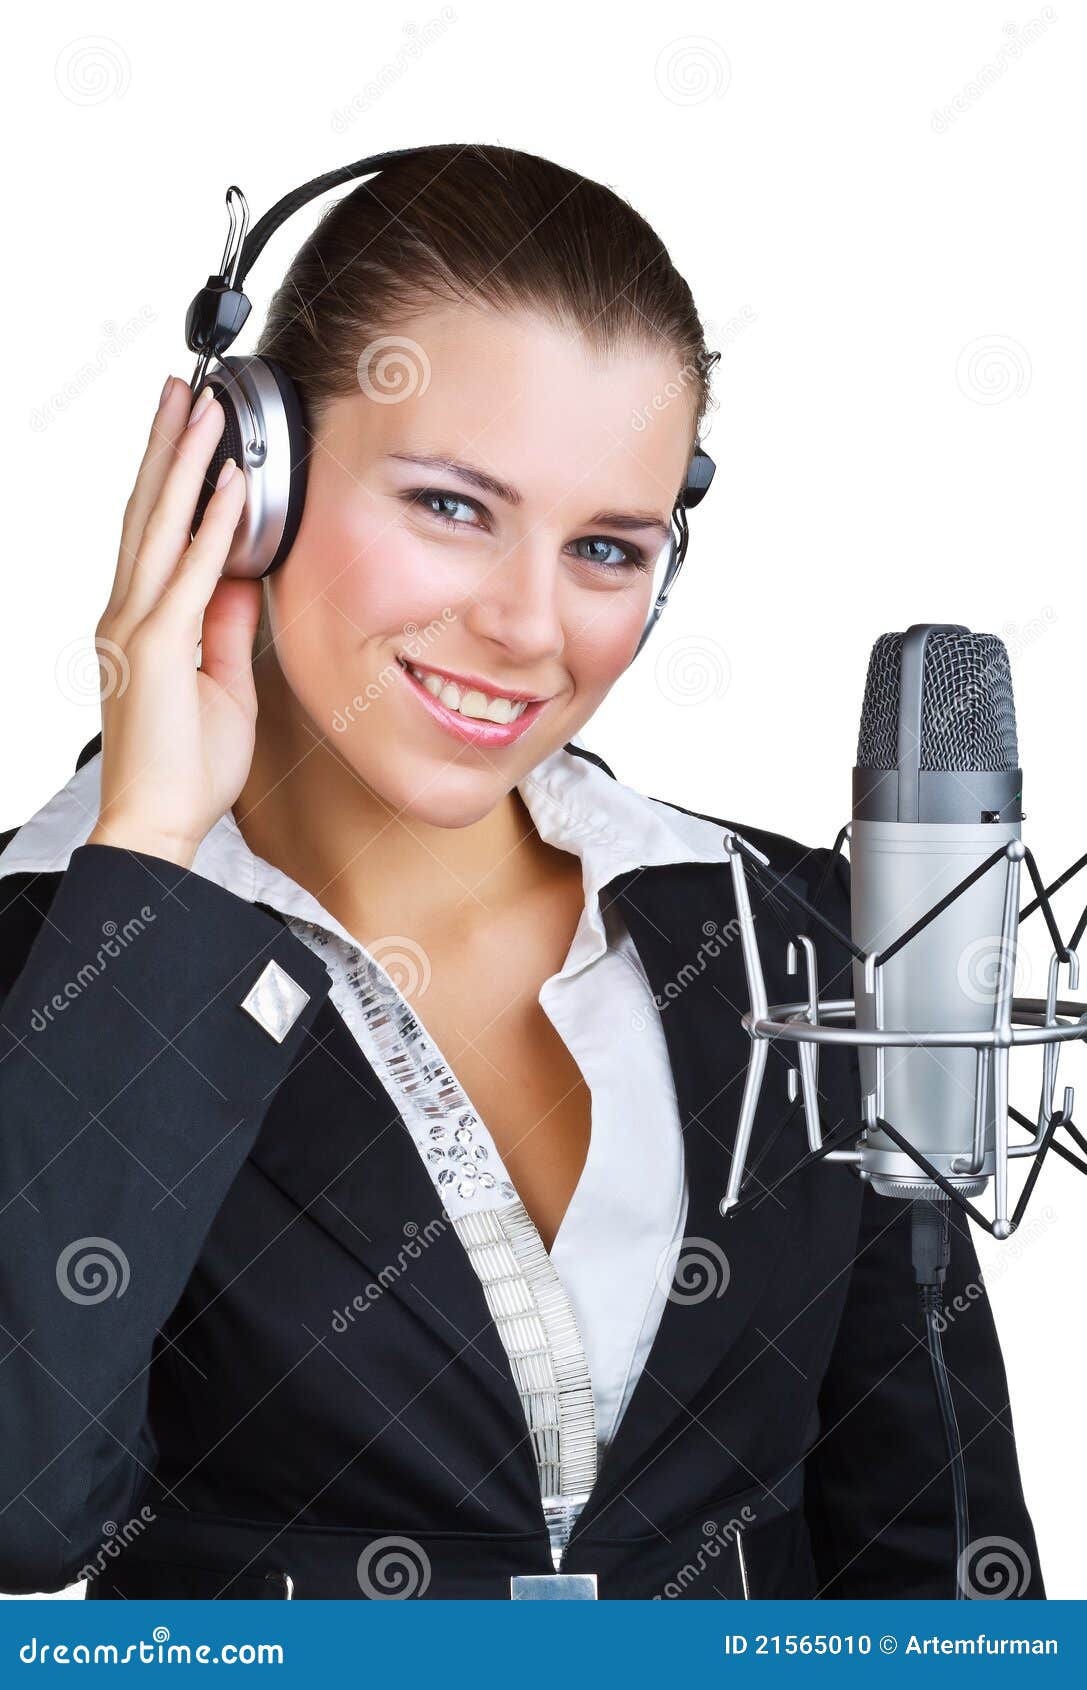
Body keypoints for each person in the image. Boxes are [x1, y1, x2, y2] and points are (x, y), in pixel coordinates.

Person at [0, 143, 1044, 1601]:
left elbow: (938, 1552)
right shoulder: (57, 948)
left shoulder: (791, 934)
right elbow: (25, 1506)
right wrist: (151, 842)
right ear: (249, 483)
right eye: (451, 506)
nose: (530, 628)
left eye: (606, 547)